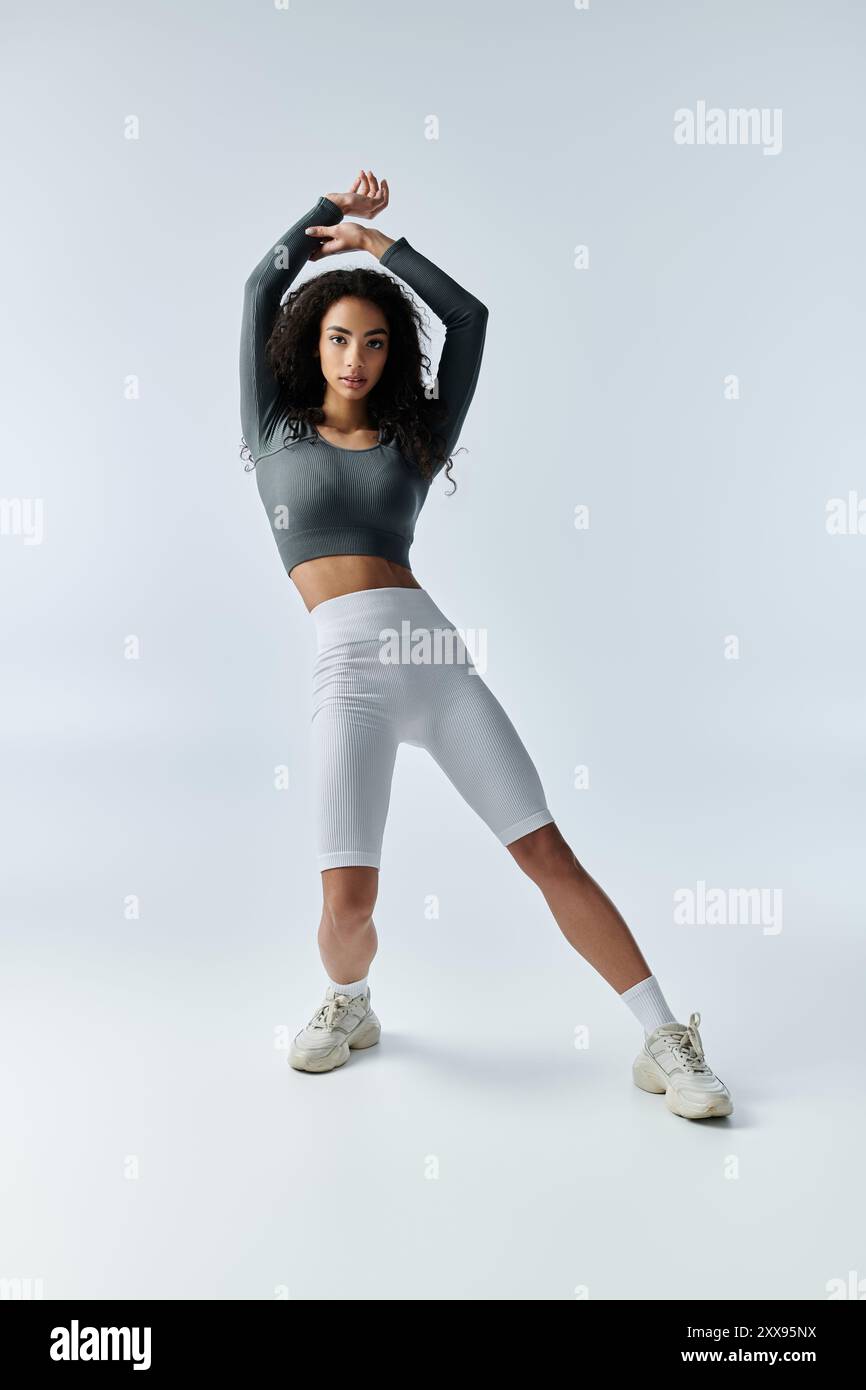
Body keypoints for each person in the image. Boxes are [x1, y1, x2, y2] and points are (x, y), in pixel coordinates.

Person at [239, 168, 733, 1121]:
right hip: (346, 674)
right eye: (340, 338)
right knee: (346, 909)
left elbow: (469, 320)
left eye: (375, 344)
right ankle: (351, 1001)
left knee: (546, 850)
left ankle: (665, 1038)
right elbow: (260, 286)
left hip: (433, 660)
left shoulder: (413, 439)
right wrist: (325, 223)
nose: (356, 359)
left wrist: (384, 251)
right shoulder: (271, 430)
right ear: (312, 343)